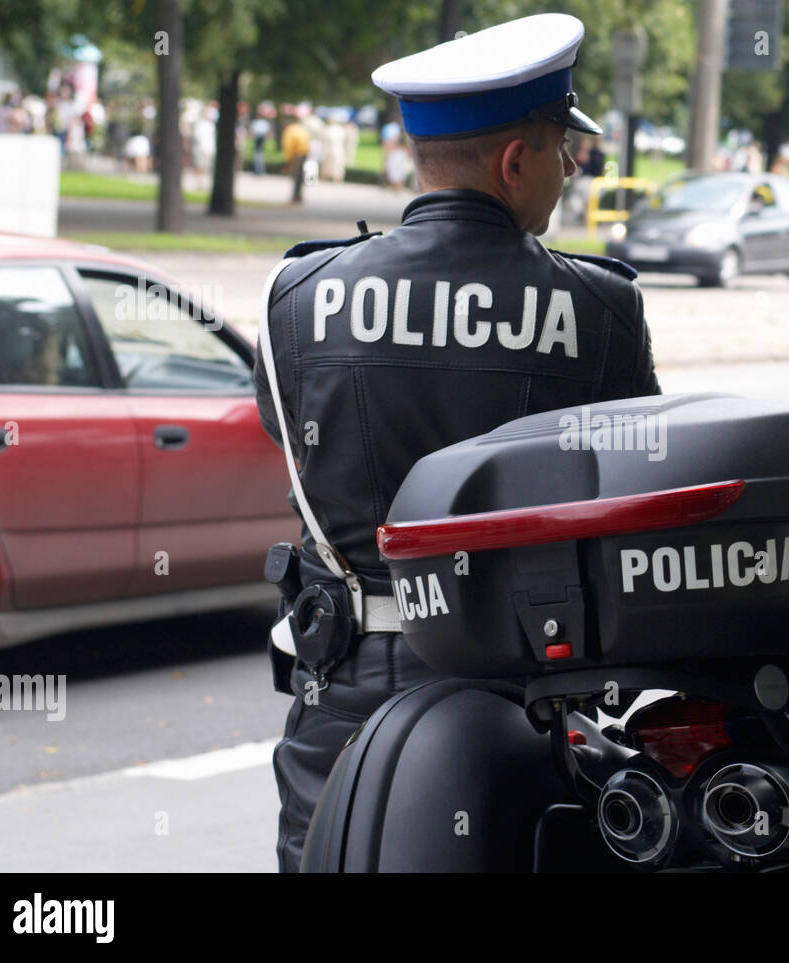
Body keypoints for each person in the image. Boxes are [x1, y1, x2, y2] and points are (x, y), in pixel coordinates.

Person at [254, 12, 661, 873]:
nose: (574, 164)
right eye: (562, 145)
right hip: (522, 701)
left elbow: (291, 440)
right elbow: (635, 494)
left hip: (343, 704)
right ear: (517, 162)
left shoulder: (295, 296)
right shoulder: (600, 312)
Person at [279, 108, 311, 204]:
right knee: (300, 177)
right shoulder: (301, 128)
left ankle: (295, 196)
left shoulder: (290, 129)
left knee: (296, 176)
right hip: (304, 153)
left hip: (297, 154)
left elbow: (288, 145)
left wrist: (288, 160)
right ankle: (298, 196)